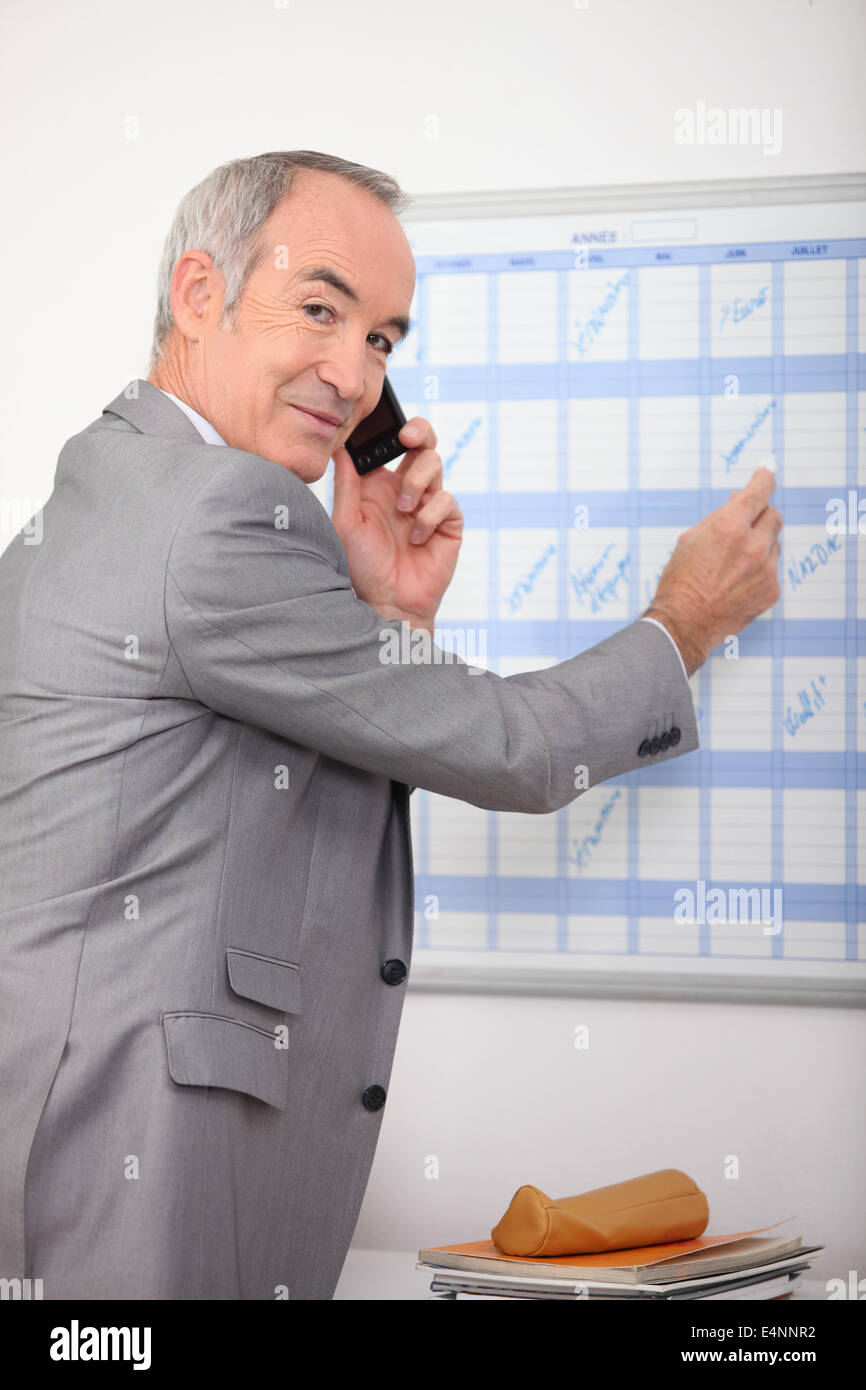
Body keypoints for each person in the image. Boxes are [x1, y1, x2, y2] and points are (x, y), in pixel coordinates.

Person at [0, 149, 782, 1300]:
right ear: (198, 294)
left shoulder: (112, 482)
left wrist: (380, 614)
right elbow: (507, 744)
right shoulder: (218, 511)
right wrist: (686, 622)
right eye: (319, 306)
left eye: (381, 339)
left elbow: (238, 771)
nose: (354, 373)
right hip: (136, 1169)